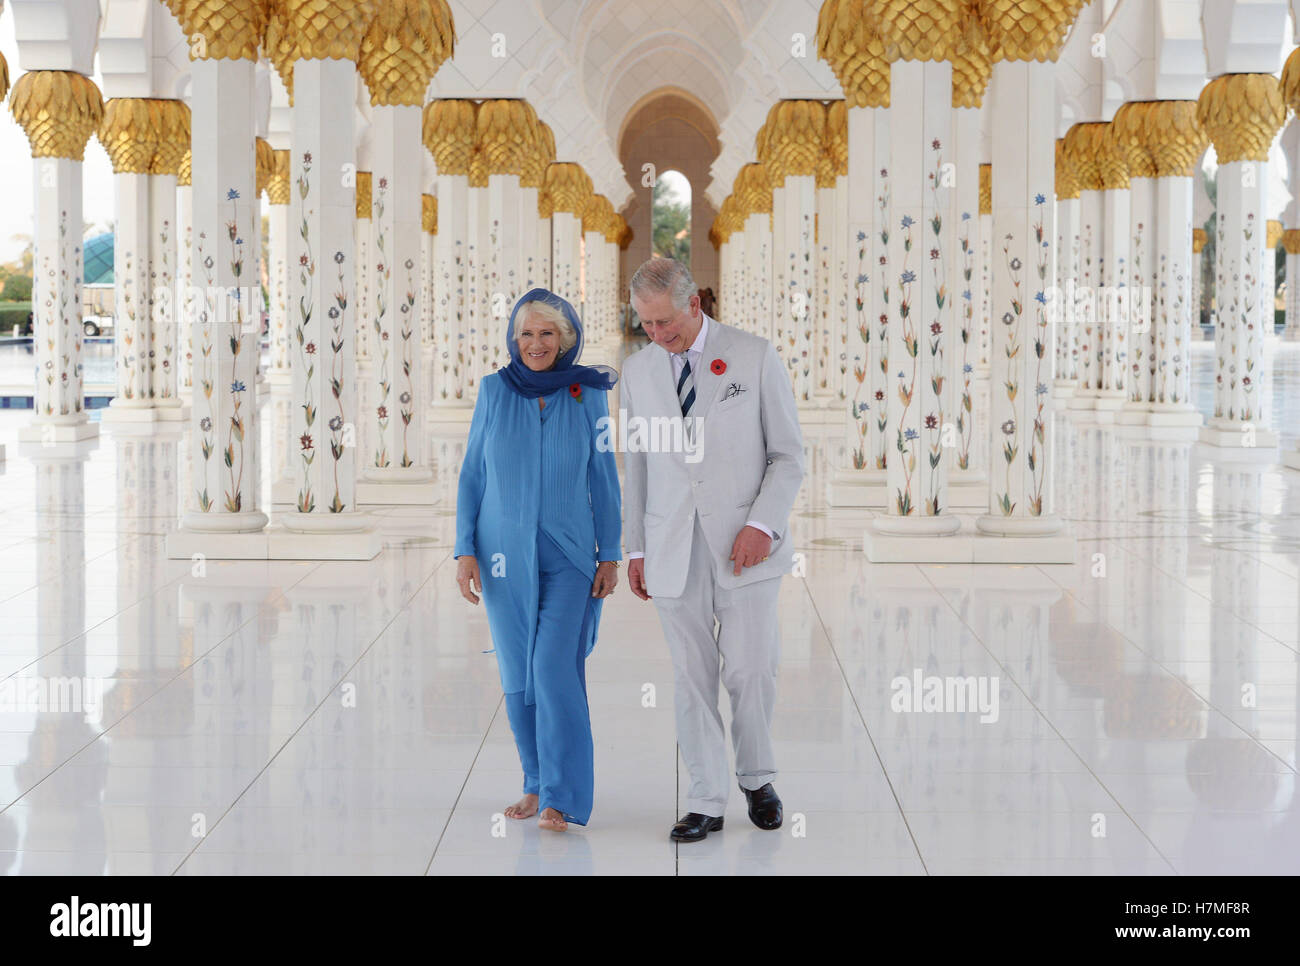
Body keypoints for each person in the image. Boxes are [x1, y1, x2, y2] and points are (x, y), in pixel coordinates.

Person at [621, 257, 805, 842]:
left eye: (666, 322)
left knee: (752, 670)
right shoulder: (639, 373)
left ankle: (757, 777)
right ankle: (704, 797)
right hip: (671, 543)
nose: (658, 335)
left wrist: (763, 525)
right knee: (690, 676)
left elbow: (788, 456)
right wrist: (635, 549)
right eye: (646, 325)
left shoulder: (753, 355)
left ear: (695, 303)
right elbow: (638, 468)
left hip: (743, 544)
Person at [454, 288, 621, 832]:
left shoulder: (586, 393)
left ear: (566, 339)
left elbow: (604, 477)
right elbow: (473, 475)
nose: (535, 344)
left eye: (547, 333)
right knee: (519, 674)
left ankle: (562, 796)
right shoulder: (494, 392)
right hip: (503, 558)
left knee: (553, 670)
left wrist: (611, 554)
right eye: (526, 333)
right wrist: (465, 549)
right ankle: (534, 783)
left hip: (571, 556)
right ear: (514, 338)